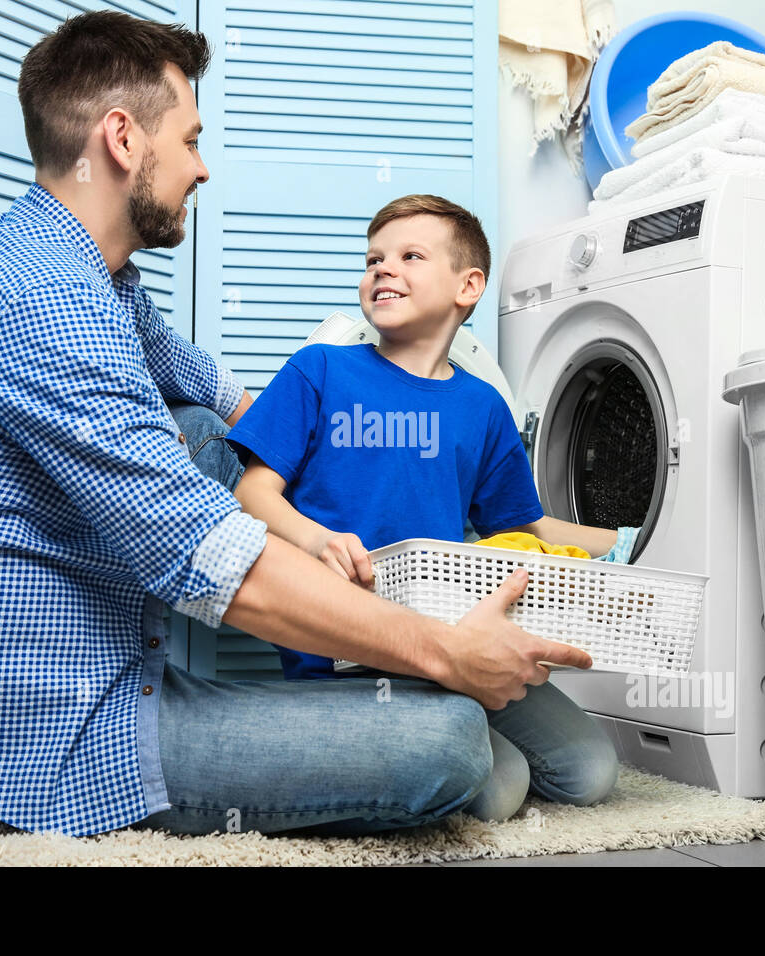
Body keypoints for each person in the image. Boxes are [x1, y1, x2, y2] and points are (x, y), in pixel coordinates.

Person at [0, 10, 592, 839]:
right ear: (123, 140)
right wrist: (443, 650)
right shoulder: (48, 304)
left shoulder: (76, 268)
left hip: (107, 671)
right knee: (450, 742)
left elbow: (201, 382)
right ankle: (372, 673)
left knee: (198, 423)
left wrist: (305, 485)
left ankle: (346, 669)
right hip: (38, 735)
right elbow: (213, 564)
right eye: (189, 139)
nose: (201, 168)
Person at [225, 194, 621, 821]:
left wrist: (627, 542)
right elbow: (251, 492)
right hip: (348, 649)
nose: (383, 269)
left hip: (455, 635)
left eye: (411, 256)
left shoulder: (484, 407)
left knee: (589, 772)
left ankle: (444, 728)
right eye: (374, 258)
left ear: (469, 286)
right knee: (501, 786)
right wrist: (315, 540)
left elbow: (526, 530)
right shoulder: (319, 371)